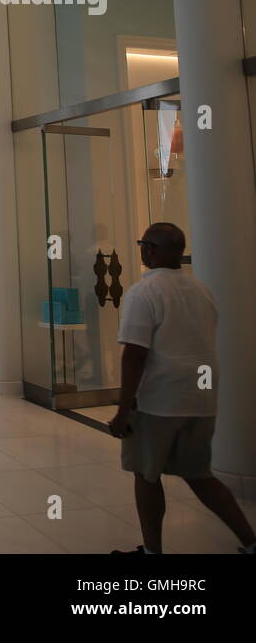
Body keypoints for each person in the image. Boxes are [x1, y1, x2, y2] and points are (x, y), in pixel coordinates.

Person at [109, 222, 256, 555]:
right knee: (200, 475)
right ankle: (250, 541)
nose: (143, 250)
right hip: (200, 400)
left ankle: (152, 550)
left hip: (159, 401)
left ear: (152, 250)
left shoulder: (143, 293)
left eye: (144, 244)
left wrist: (123, 409)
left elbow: (135, 354)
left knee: (146, 474)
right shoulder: (201, 290)